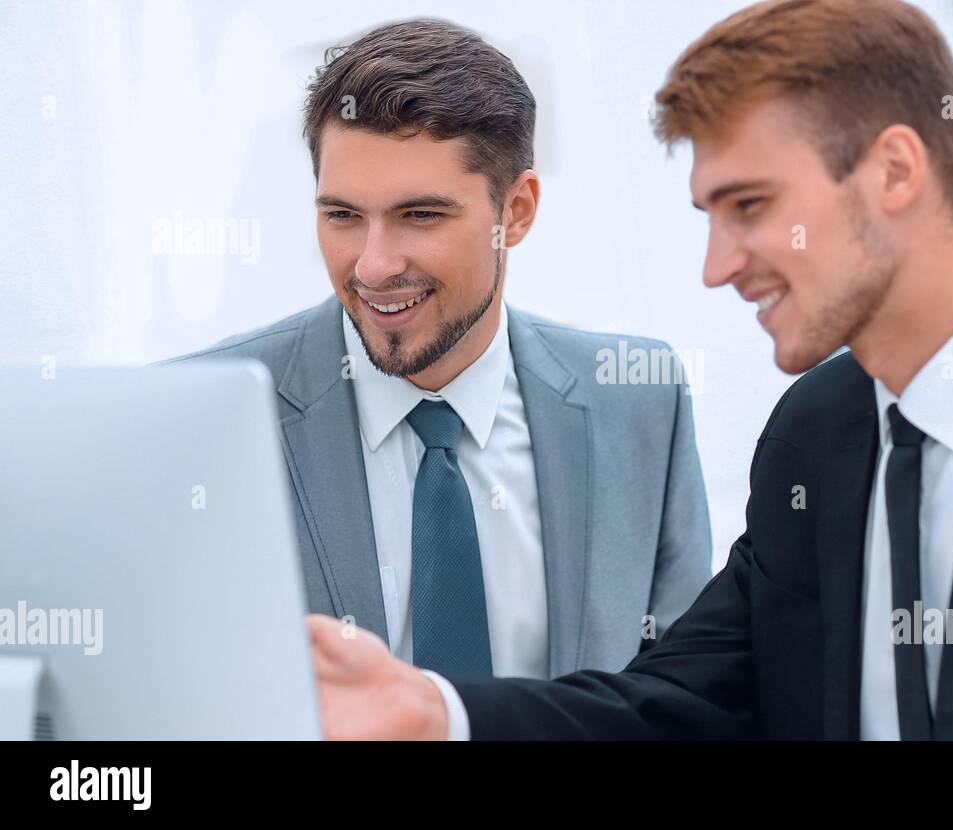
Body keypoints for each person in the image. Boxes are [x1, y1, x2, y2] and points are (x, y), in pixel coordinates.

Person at [308, 0, 953, 740]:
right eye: (710, 216)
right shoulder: (817, 435)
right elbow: (677, 700)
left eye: (749, 206)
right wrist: (433, 708)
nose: (717, 265)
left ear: (895, 173)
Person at [168, 18, 711, 685]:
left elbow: (685, 697)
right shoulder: (198, 418)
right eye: (341, 215)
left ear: (516, 212)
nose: (372, 266)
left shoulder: (640, 400)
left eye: (420, 215)